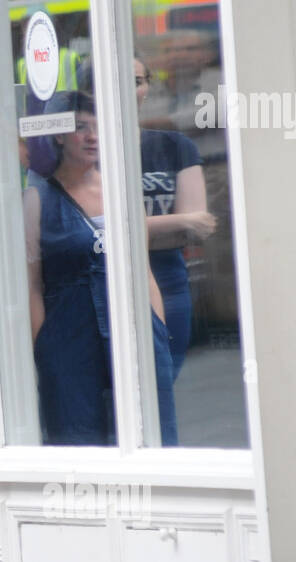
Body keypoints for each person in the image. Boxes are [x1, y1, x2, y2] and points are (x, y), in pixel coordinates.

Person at [25, 89, 178, 446]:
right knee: (80, 443)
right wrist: (46, 350)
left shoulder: (123, 191)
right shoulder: (37, 201)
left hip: (135, 330)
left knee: (150, 436)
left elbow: (144, 270)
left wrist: (158, 332)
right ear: (59, 135)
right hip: (70, 339)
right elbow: (31, 285)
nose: (92, 136)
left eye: (97, 126)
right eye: (80, 127)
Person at [136, 57, 217, 382]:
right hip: (102, 283)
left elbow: (200, 227)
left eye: (137, 81)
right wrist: (176, 222)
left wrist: (138, 229)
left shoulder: (173, 146)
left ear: (147, 87)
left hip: (169, 280)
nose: (128, 90)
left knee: (162, 385)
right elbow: (101, 231)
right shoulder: (86, 151)